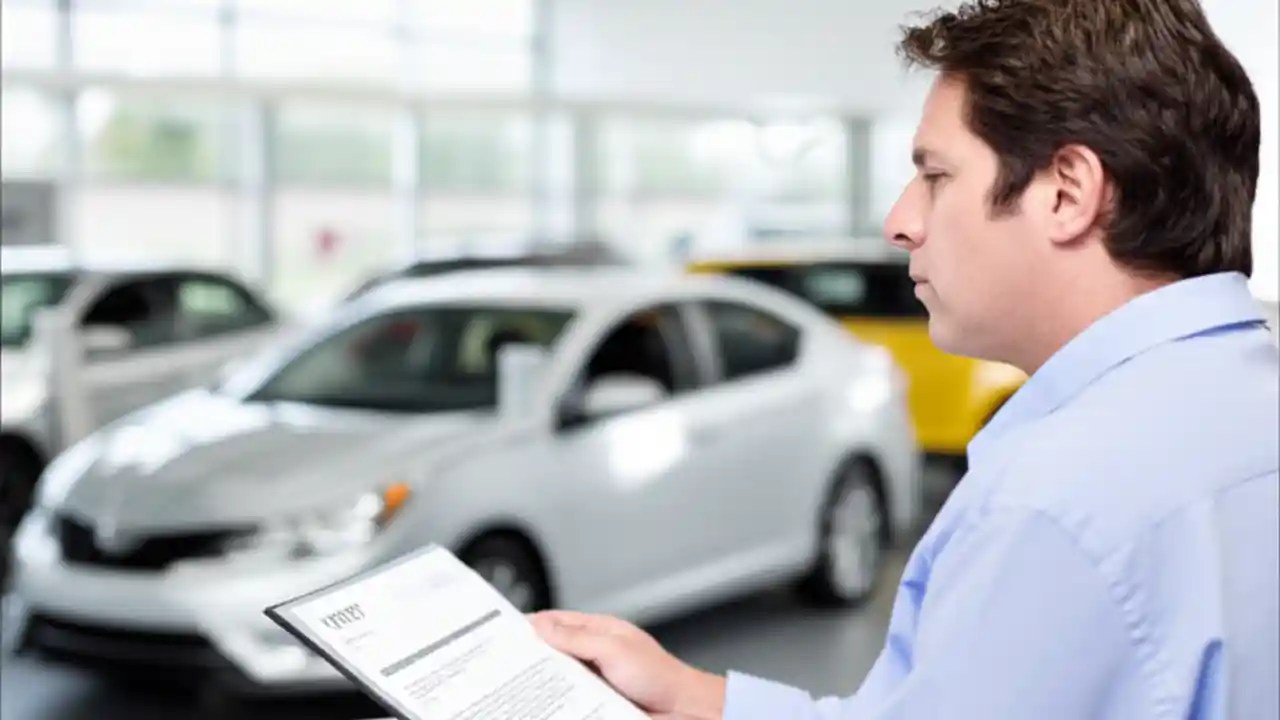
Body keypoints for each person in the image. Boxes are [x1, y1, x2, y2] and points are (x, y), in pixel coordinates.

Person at [530, 0, 1280, 717]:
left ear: (1066, 193)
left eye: (936, 176)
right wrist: (700, 699)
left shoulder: (1057, 506)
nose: (899, 222)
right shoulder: (1243, 409)